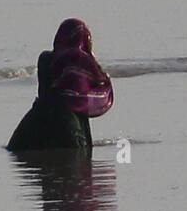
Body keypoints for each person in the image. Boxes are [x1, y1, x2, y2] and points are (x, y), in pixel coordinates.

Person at [6, 18, 113, 153]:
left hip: (39, 116)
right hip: (72, 122)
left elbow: (44, 91)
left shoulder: (46, 58)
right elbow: (100, 89)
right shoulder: (88, 64)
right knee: (77, 158)